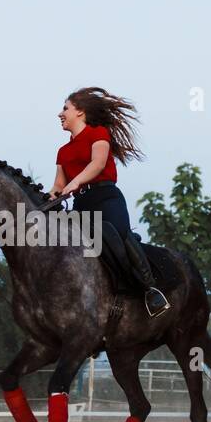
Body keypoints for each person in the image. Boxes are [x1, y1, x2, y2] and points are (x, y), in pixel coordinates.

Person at [47, 87, 170, 317]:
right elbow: (58, 185)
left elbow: (98, 164)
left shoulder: (98, 133)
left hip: (106, 198)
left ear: (80, 111)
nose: (59, 114)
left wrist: (75, 182)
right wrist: (49, 197)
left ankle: (150, 290)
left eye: (65, 108)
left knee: (118, 235)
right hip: (82, 205)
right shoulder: (63, 151)